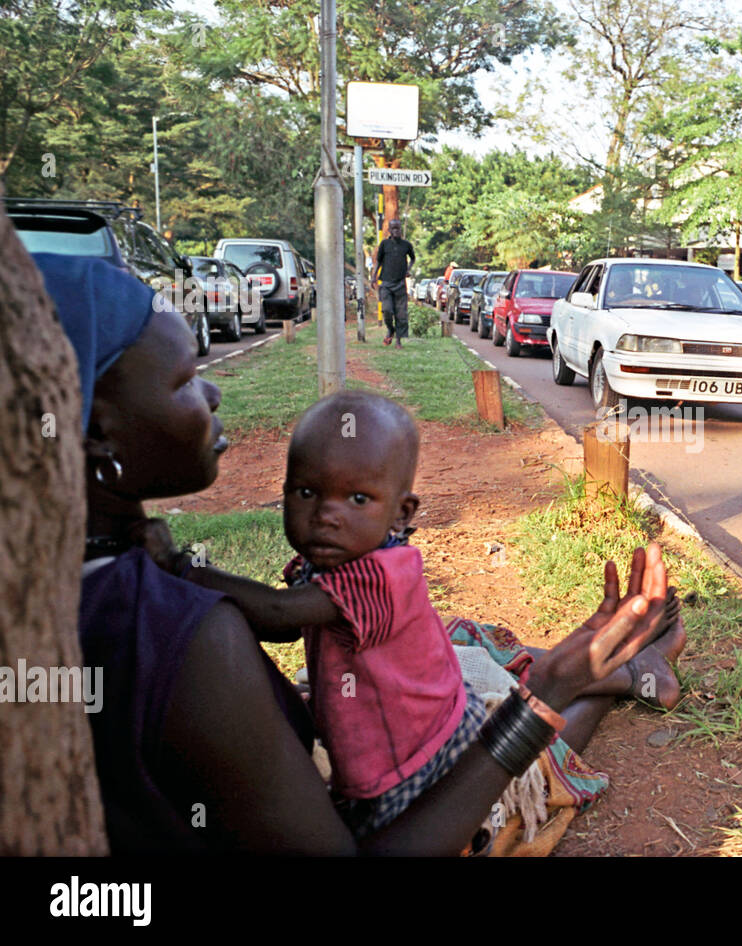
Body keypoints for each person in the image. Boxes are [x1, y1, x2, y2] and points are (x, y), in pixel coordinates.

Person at [34, 251, 681, 854]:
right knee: (528, 745)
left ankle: (622, 667)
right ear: (92, 429)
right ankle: (609, 677)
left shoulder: (60, 587)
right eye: (182, 381)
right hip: (405, 788)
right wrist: (551, 687)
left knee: (468, 646)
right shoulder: (188, 637)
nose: (212, 393)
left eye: (357, 500)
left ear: (402, 514)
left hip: (403, 735)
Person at [133, 389, 683, 838]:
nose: (325, 516)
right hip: (426, 715)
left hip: (422, 761)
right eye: (305, 493)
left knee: (535, 761)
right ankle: (624, 672)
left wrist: (181, 568)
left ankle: (628, 677)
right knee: (496, 670)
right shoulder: (342, 559)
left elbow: (277, 612)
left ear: (402, 513)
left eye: (356, 501)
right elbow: (282, 623)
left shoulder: (376, 574)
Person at [372, 218, 415, 347]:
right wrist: (374, 276)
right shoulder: (384, 244)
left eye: (398, 228)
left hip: (400, 283)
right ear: (389, 230)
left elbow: (413, 258)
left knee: (401, 313)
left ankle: (398, 340)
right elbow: (378, 262)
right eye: (394, 228)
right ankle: (390, 329)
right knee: (387, 310)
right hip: (385, 283)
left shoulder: (406, 245)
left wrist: (408, 269)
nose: (396, 231)